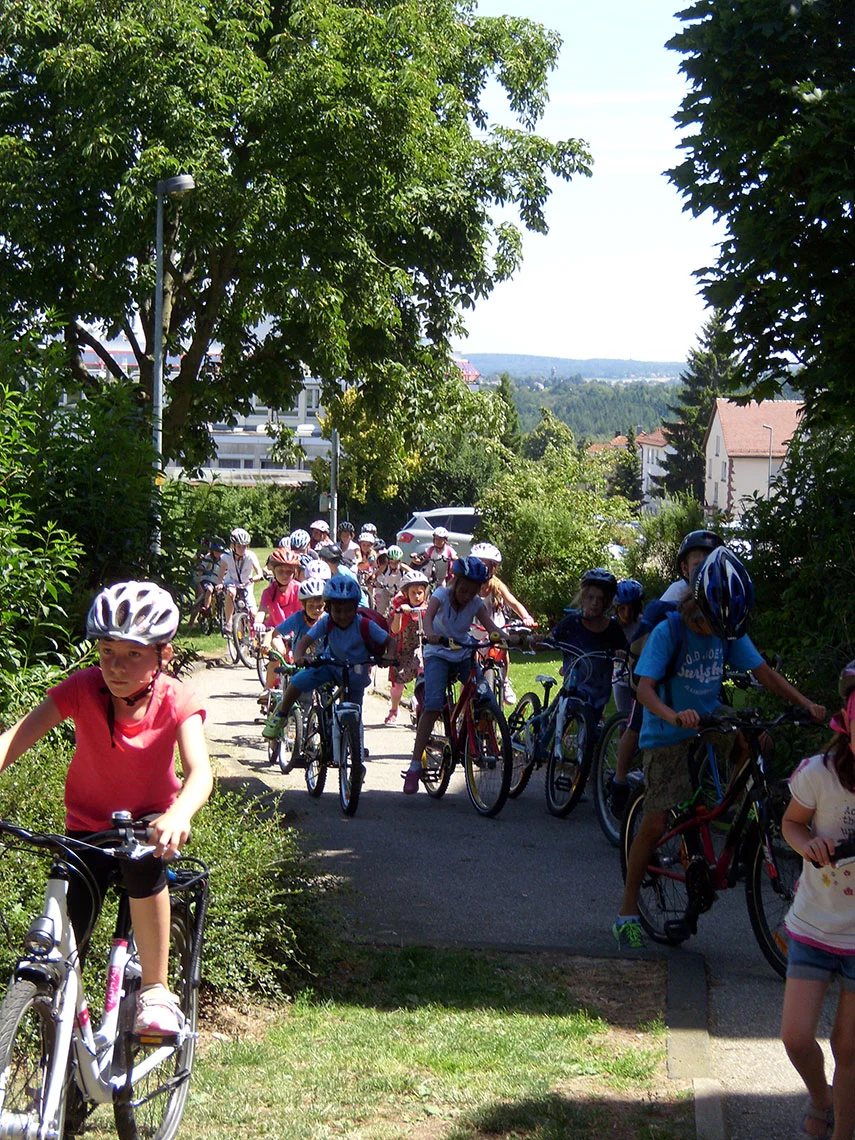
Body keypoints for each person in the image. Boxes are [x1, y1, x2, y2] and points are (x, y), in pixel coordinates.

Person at [0, 582, 212, 1034]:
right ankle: (61, 1048)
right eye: (107, 651)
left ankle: (156, 990)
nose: (116, 666)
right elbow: (14, 740)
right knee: (60, 941)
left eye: (133, 654)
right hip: (86, 829)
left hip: (148, 825)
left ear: (163, 655)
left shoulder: (178, 700)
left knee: (143, 865)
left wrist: (178, 815)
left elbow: (200, 773)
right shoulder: (82, 688)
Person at [614, 547, 825, 952]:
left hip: (709, 719)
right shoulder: (670, 631)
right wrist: (674, 716)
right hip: (668, 731)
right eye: (714, 626)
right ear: (700, 605)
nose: (720, 635)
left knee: (758, 734)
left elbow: (763, 671)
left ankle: (737, 807)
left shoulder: (728, 628)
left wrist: (805, 704)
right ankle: (626, 910)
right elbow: (644, 689)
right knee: (656, 822)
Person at [778, 660, 855, 1140]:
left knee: (850, 1050)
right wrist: (807, 844)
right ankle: (820, 1096)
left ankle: (843, 1129)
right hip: (813, 926)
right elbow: (792, 823)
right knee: (796, 1035)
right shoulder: (819, 774)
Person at [611, 530, 725, 813]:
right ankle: (619, 779)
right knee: (636, 725)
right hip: (659, 675)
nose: (705, 569)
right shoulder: (676, 594)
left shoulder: (717, 596)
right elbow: (648, 634)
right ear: (685, 569)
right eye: (698, 564)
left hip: (693, 673)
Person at [402, 556, 517, 795]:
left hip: (463, 652)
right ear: (455, 582)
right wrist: (431, 635)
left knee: (483, 693)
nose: (466, 596)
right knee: (433, 705)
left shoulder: (476, 604)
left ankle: (482, 736)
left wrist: (508, 638)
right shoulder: (441, 595)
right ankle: (414, 765)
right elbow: (429, 619)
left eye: (472, 592)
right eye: (463, 590)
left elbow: (492, 628)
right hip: (439, 652)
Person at [263, 576, 393, 741]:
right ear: (329, 609)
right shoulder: (327, 623)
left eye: (348, 610)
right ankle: (281, 714)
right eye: (337, 611)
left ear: (355, 607)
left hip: (355, 672)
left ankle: (356, 745)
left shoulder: (364, 624)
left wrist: (390, 656)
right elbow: (304, 642)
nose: (343, 615)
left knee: (355, 712)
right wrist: (299, 657)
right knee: (296, 682)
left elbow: (390, 641)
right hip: (329, 667)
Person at [470, 541, 537, 705]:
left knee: (503, 651)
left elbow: (513, 603)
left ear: (494, 568)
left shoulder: (496, 585)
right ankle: (471, 692)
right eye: (480, 565)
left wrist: (526, 617)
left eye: (488, 566)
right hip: (475, 628)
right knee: (471, 661)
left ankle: (505, 681)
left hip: (496, 625)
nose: (484, 570)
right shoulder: (468, 585)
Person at [385, 570, 429, 725]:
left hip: (419, 648)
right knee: (397, 687)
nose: (417, 597)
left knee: (422, 670)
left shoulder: (426, 608)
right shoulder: (400, 607)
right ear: (406, 593)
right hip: (402, 650)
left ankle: (420, 704)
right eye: (413, 593)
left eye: (420, 593)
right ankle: (394, 709)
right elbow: (395, 629)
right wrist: (400, 613)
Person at [255, 549, 302, 694]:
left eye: (289, 571)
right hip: (275, 632)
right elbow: (262, 610)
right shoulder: (269, 592)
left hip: (296, 631)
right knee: (279, 653)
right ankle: (267, 689)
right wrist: (258, 623)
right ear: (273, 571)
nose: (285, 575)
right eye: (281, 571)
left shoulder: (299, 589)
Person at [217, 527, 263, 630]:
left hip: (246, 584)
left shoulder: (250, 556)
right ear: (233, 546)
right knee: (231, 592)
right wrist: (219, 584)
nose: (242, 549)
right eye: (239, 546)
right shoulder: (226, 557)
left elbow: (259, 573)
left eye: (245, 546)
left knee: (253, 612)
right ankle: (228, 622)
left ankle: (252, 637)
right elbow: (220, 575)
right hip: (231, 582)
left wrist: (252, 579)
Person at [612, 578, 645, 716]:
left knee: (639, 718)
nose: (627, 613)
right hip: (620, 677)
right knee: (622, 718)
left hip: (640, 678)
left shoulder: (643, 623)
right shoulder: (612, 625)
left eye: (631, 609)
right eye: (622, 609)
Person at [187, 537, 225, 627]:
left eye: (220, 552)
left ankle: (221, 616)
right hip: (206, 580)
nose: (218, 554)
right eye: (216, 551)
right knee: (203, 596)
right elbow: (201, 567)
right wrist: (200, 569)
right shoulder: (207, 557)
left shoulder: (223, 559)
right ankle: (205, 609)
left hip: (218, 581)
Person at [374, 544, 406, 618]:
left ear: (400, 561)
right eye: (392, 562)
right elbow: (375, 575)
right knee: (380, 610)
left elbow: (412, 573)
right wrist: (375, 581)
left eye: (396, 562)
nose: (394, 565)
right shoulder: (385, 567)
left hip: (398, 592)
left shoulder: (402, 567)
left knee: (399, 610)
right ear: (388, 561)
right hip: (387, 590)